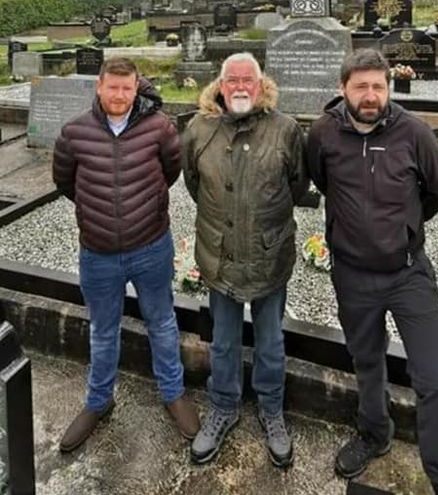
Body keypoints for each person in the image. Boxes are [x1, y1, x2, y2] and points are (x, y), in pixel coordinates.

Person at [307, 48, 438, 495]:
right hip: (353, 275)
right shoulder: (323, 134)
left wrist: (404, 232)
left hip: (407, 275)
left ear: (388, 87)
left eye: (378, 85)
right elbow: (321, 181)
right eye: (360, 86)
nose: (370, 95)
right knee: (367, 362)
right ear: (343, 89)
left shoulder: (414, 133)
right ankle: (374, 434)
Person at [53, 56, 199, 452]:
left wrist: (146, 208)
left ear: (136, 89)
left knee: (162, 322)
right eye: (112, 87)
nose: (120, 95)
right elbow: (65, 181)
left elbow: (171, 171)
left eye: (127, 88)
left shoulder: (159, 128)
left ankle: (172, 393)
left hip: (151, 247)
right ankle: (99, 402)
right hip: (97, 254)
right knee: (103, 330)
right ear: (99, 87)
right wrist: (99, 216)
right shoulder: (74, 133)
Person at [182, 53, 308, 468]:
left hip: (269, 257)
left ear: (261, 85)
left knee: (270, 341)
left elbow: (297, 185)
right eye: (231, 79)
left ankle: (271, 409)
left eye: (247, 80)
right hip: (221, 257)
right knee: (224, 340)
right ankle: (223, 406)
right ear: (219, 85)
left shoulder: (286, 130)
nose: (239, 87)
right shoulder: (199, 129)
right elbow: (193, 184)